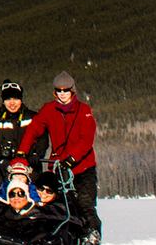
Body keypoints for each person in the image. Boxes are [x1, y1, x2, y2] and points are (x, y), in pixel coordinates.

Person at [18, 71, 98, 232]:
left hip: (82, 168)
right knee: (56, 206)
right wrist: (21, 152)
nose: (62, 94)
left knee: (85, 205)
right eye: (59, 90)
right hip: (58, 168)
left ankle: (92, 236)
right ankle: (57, 237)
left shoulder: (84, 110)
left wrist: (71, 159)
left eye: (66, 90)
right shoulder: (48, 110)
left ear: (72, 90)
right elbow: (33, 130)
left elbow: (86, 140)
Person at [0, 80, 33, 187]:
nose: (12, 103)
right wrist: (1, 161)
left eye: (16, 98)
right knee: (9, 195)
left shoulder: (33, 118)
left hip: (31, 171)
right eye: (8, 99)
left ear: (21, 100)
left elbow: (42, 141)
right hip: (6, 172)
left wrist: (34, 157)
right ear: (3, 101)